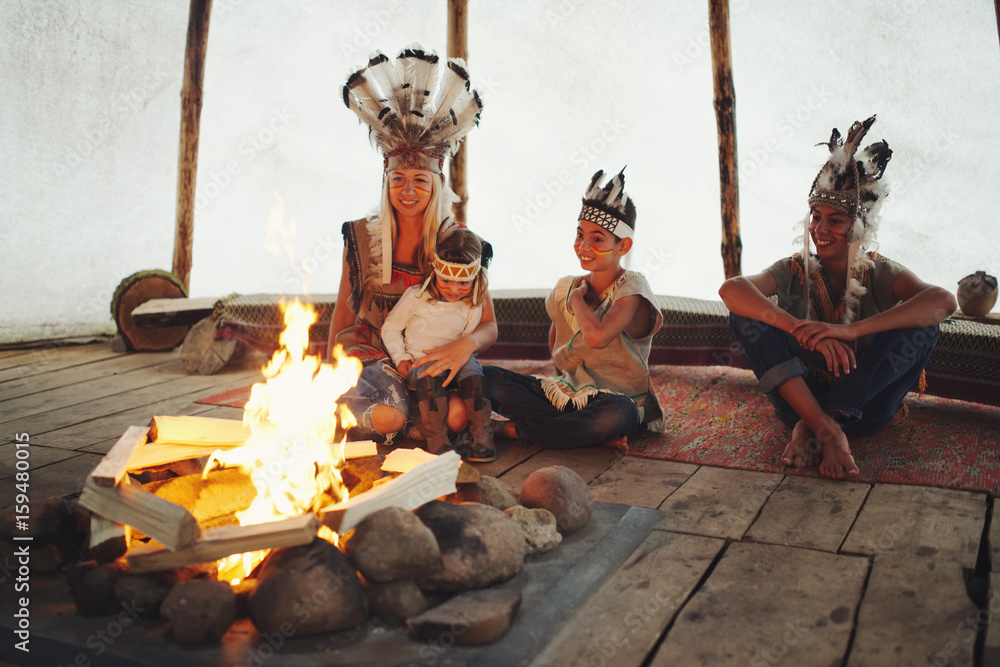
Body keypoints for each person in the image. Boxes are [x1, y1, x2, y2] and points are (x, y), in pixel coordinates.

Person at [718, 115, 957, 479]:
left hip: (866, 411)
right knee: (744, 314)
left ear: (858, 227)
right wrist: (801, 330)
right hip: (796, 405)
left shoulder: (880, 271)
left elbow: (944, 301)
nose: (820, 229)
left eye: (835, 220)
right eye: (816, 217)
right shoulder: (794, 268)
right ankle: (822, 427)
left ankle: (816, 424)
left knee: (925, 326)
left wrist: (850, 331)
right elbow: (730, 289)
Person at [328, 47, 497, 443]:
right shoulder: (361, 237)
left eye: (420, 180)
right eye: (398, 180)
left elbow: (488, 323)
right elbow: (342, 316)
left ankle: (411, 420)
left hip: (426, 356)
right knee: (390, 416)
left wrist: (466, 345)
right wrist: (326, 375)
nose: (408, 191)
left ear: (436, 184)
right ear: (385, 181)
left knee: (457, 417)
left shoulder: (459, 242)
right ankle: (355, 409)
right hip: (370, 353)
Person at [484, 169, 666, 450]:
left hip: (615, 400)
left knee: (617, 416)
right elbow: (556, 338)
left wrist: (577, 301)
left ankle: (513, 430)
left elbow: (596, 337)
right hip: (566, 393)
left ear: (623, 245)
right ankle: (583, 431)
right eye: (580, 234)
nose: (583, 246)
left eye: (597, 239)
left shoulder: (631, 287)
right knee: (484, 378)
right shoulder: (565, 288)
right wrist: (560, 383)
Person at [382, 228, 496, 461]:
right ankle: (437, 441)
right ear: (434, 271)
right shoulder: (416, 297)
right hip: (421, 363)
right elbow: (390, 327)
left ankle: (483, 436)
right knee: (429, 376)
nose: (454, 290)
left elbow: (466, 342)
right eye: (446, 280)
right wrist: (401, 358)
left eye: (463, 282)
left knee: (474, 373)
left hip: (455, 362)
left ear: (475, 277)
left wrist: (464, 362)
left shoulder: (472, 305)